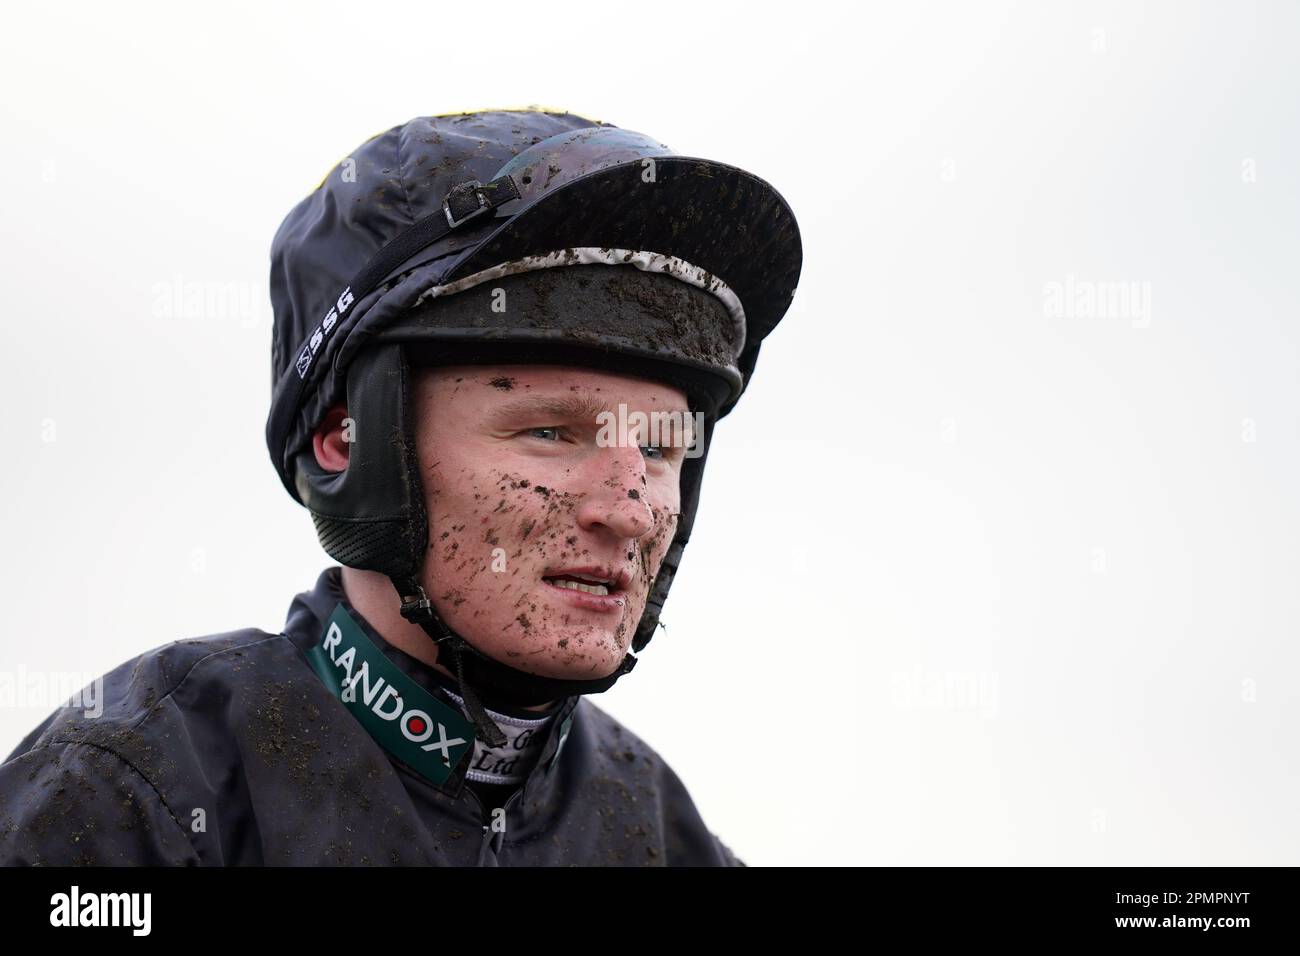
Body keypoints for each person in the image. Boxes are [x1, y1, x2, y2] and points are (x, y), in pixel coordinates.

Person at [0, 108, 802, 865]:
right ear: (349, 445)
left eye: (660, 448)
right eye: (551, 433)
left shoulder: (661, 833)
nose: (628, 512)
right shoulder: (135, 795)